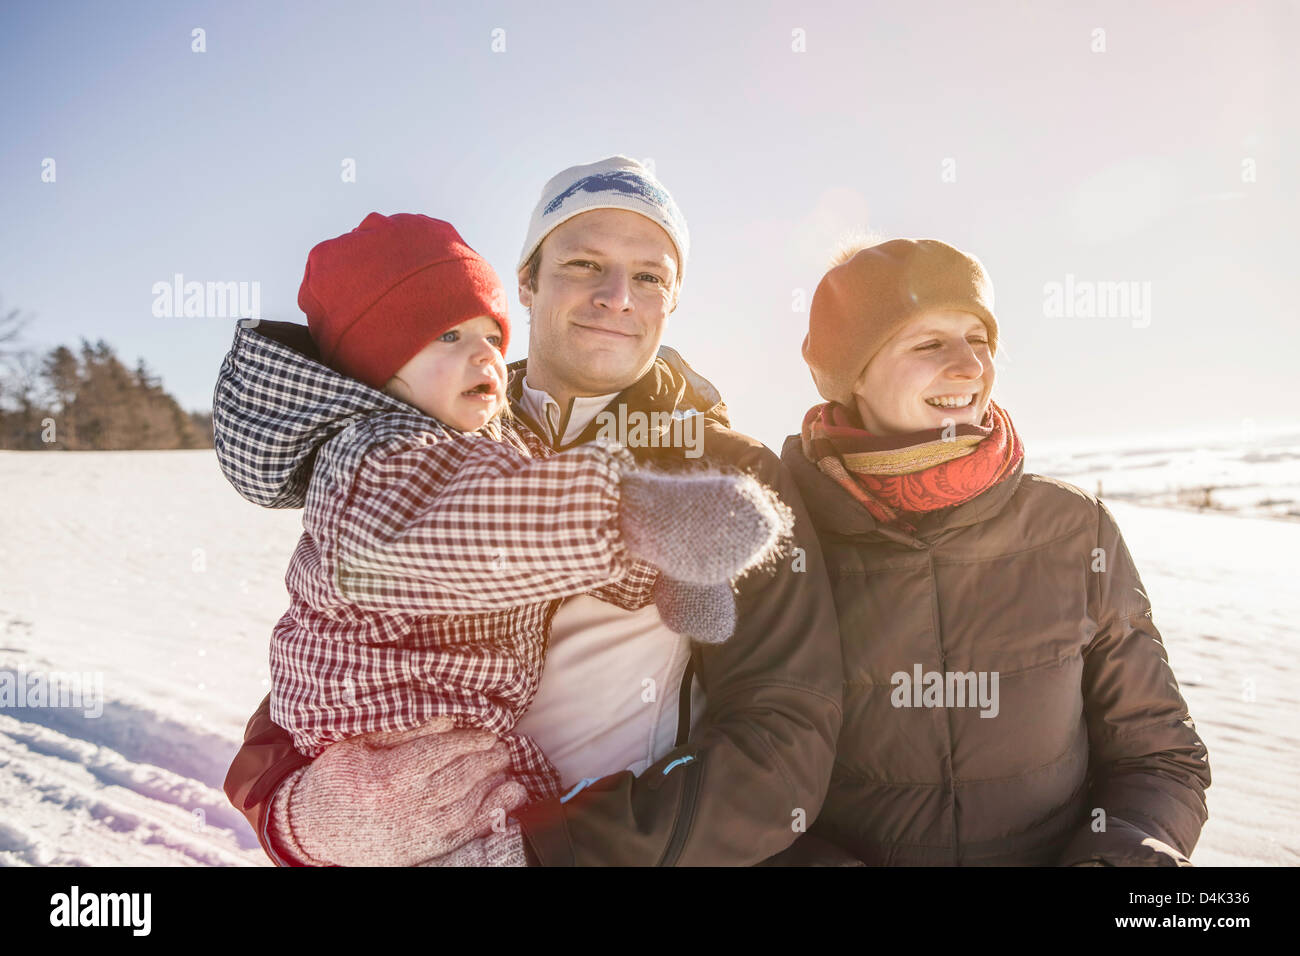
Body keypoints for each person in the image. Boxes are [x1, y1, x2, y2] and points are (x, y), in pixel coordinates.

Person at [221, 157, 847, 866]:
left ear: (672, 300)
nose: (618, 296)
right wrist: (301, 815)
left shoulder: (727, 474)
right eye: (585, 264)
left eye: (649, 276)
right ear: (527, 280)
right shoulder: (425, 444)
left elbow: (782, 735)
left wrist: (561, 853)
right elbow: (322, 669)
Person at [783, 237, 1212, 865]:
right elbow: (733, 773)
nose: (969, 367)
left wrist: (1118, 859)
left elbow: (1158, 756)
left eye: (978, 340)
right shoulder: (777, 535)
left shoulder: (1073, 530)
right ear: (854, 375)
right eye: (928, 343)